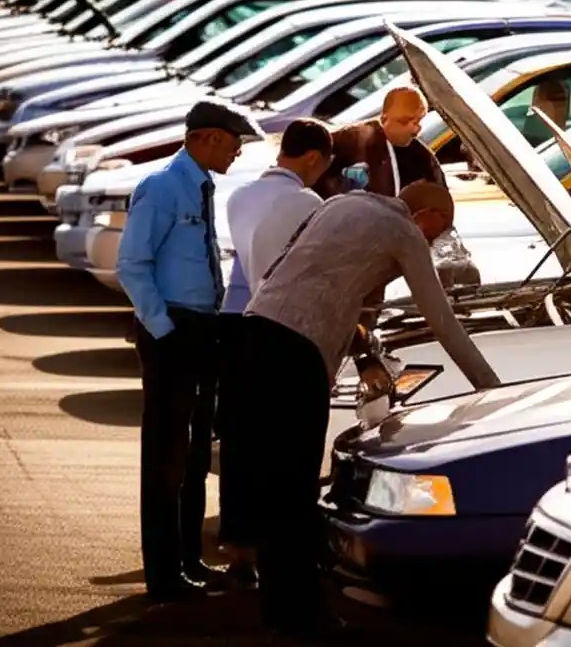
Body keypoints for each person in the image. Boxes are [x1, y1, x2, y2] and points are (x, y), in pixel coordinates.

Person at [242, 182, 501, 636]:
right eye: (440, 232)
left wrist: (364, 357)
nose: (436, 243)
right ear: (429, 216)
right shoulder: (402, 231)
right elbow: (441, 319)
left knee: (272, 480)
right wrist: (493, 391)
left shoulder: (341, 204)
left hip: (256, 329)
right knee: (298, 483)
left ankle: (276, 606)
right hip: (299, 348)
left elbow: (311, 276)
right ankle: (303, 613)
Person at [116, 99, 265, 603]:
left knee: (197, 450)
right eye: (232, 142)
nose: (238, 152)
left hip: (201, 327)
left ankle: (186, 558)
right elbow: (133, 265)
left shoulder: (201, 186)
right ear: (204, 138)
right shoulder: (161, 188)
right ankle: (163, 574)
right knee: (166, 458)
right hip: (172, 330)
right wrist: (163, 328)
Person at [215, 118, 334, 586]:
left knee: (241, 442)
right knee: (284, 444)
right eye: (323, 166)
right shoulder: (308, 202)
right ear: (312, 159)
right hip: (282, 326)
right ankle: (279, 552)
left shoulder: (241, 195)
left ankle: (239, 550)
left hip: (234, 318)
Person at [330, 85, 444, 198]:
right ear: (384, 119)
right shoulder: (350, 139)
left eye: (418, 121)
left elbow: (438, 201)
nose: (415, 129)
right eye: (404, 121)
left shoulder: (422, 159)